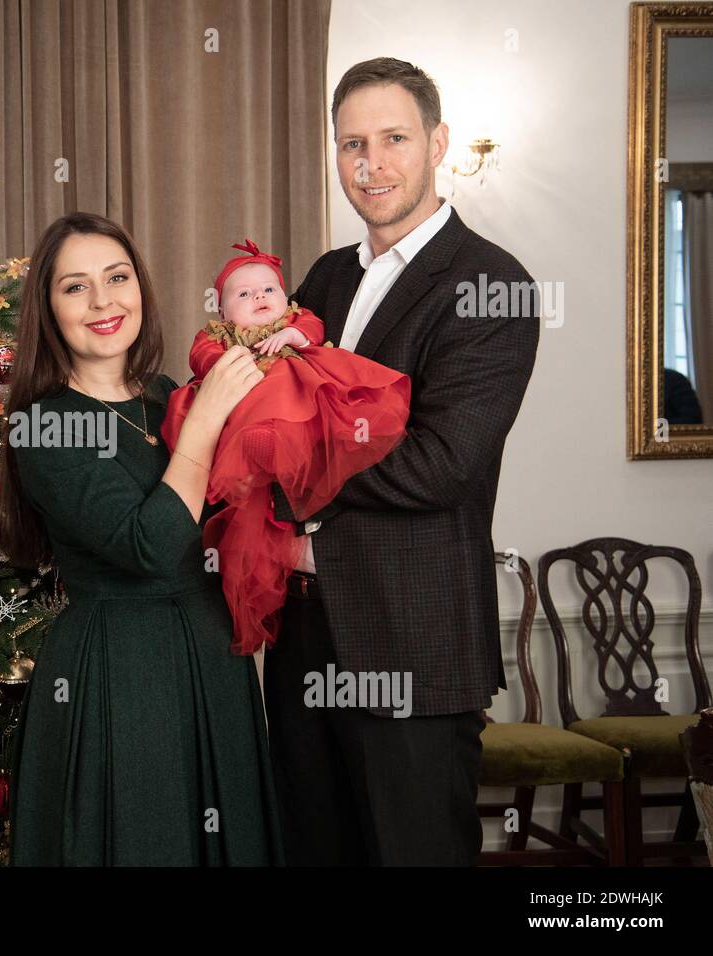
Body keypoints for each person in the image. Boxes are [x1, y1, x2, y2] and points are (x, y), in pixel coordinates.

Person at [265, 57, 541, 865]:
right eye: (353, 143)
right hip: (305, 631)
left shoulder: (493, 285)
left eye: (393, 139)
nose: (371, 164)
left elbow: (442, 462)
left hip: (411, 641)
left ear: (439, 143)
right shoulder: (325, 275)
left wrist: (294, 461)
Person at [0, 211, 283, 865]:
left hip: (213, 659)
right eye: (75, 287)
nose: (103, 302)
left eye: (117, 277)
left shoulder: (168, 395)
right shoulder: (45, 426)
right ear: (47, 307)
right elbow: (149, 547)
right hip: (118, 672)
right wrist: (209, 418)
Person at [161, 240, 411, 657]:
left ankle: (287, 449)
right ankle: (255, 453)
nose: (259, 297)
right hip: (240, 394)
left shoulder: (296, 321)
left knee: (311, 395)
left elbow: (312, 327)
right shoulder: (219, 336)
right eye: (243, 294)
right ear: (223, 312)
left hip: (294, 395)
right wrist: (224, 361)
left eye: (268, 290)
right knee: (192, 409)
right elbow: (201, 355)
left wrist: (295, 333)